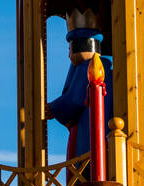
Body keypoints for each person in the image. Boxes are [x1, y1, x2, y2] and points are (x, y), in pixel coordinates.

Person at [47, 9, 114, 164]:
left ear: (80, 46)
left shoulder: (89, 66)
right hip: (105, 132)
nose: (69, 55)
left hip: (89, 131)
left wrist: (53, 109)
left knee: (85, 161)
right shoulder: (108, 64)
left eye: (70, 49)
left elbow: (75, 99)